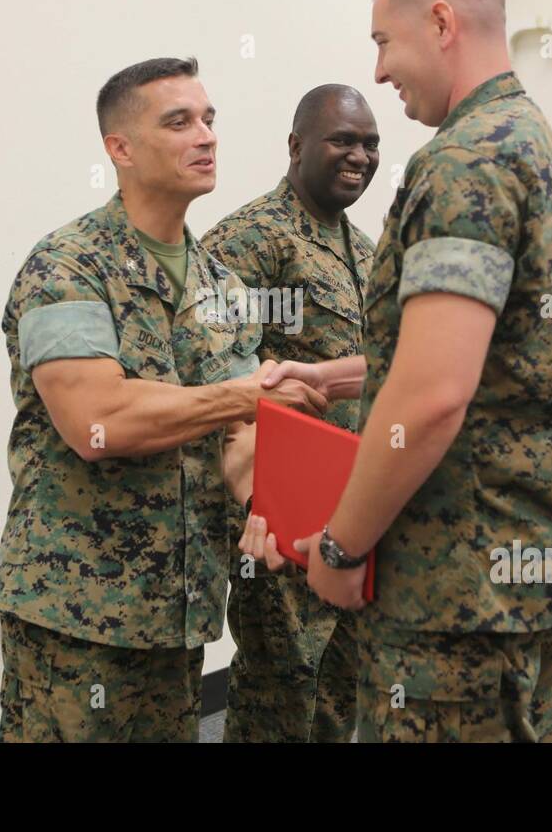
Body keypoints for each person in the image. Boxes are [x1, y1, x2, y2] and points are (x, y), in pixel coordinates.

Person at [266, 0, 552, 742]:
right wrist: (330, 374)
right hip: (537, 553)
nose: (381, 71)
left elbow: (432, 397)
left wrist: (342, 547)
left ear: (441, 21)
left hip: (462, 588)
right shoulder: (527, 138)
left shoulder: (464, 162)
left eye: (384, 42)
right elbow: (482, 356)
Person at [0, 56, 326, 742]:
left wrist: (268, 503)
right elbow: (99, 420)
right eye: (179, 122)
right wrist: (243, 393)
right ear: (120, 148)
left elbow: (238, 440)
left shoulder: (224, 288)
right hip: (77, 617)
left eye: (209, 120)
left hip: (181, 612)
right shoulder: (67, 266)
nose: (205, 136)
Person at [201, 84, 380, 742]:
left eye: (370, 143)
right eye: (343, 140)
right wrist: (256, 497)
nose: (359, 155)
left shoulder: (367, 251)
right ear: (297, 146)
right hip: (277, 511)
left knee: (344, 676)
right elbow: (216, 369)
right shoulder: (251, 238)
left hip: (353, 506)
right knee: (283, 681)